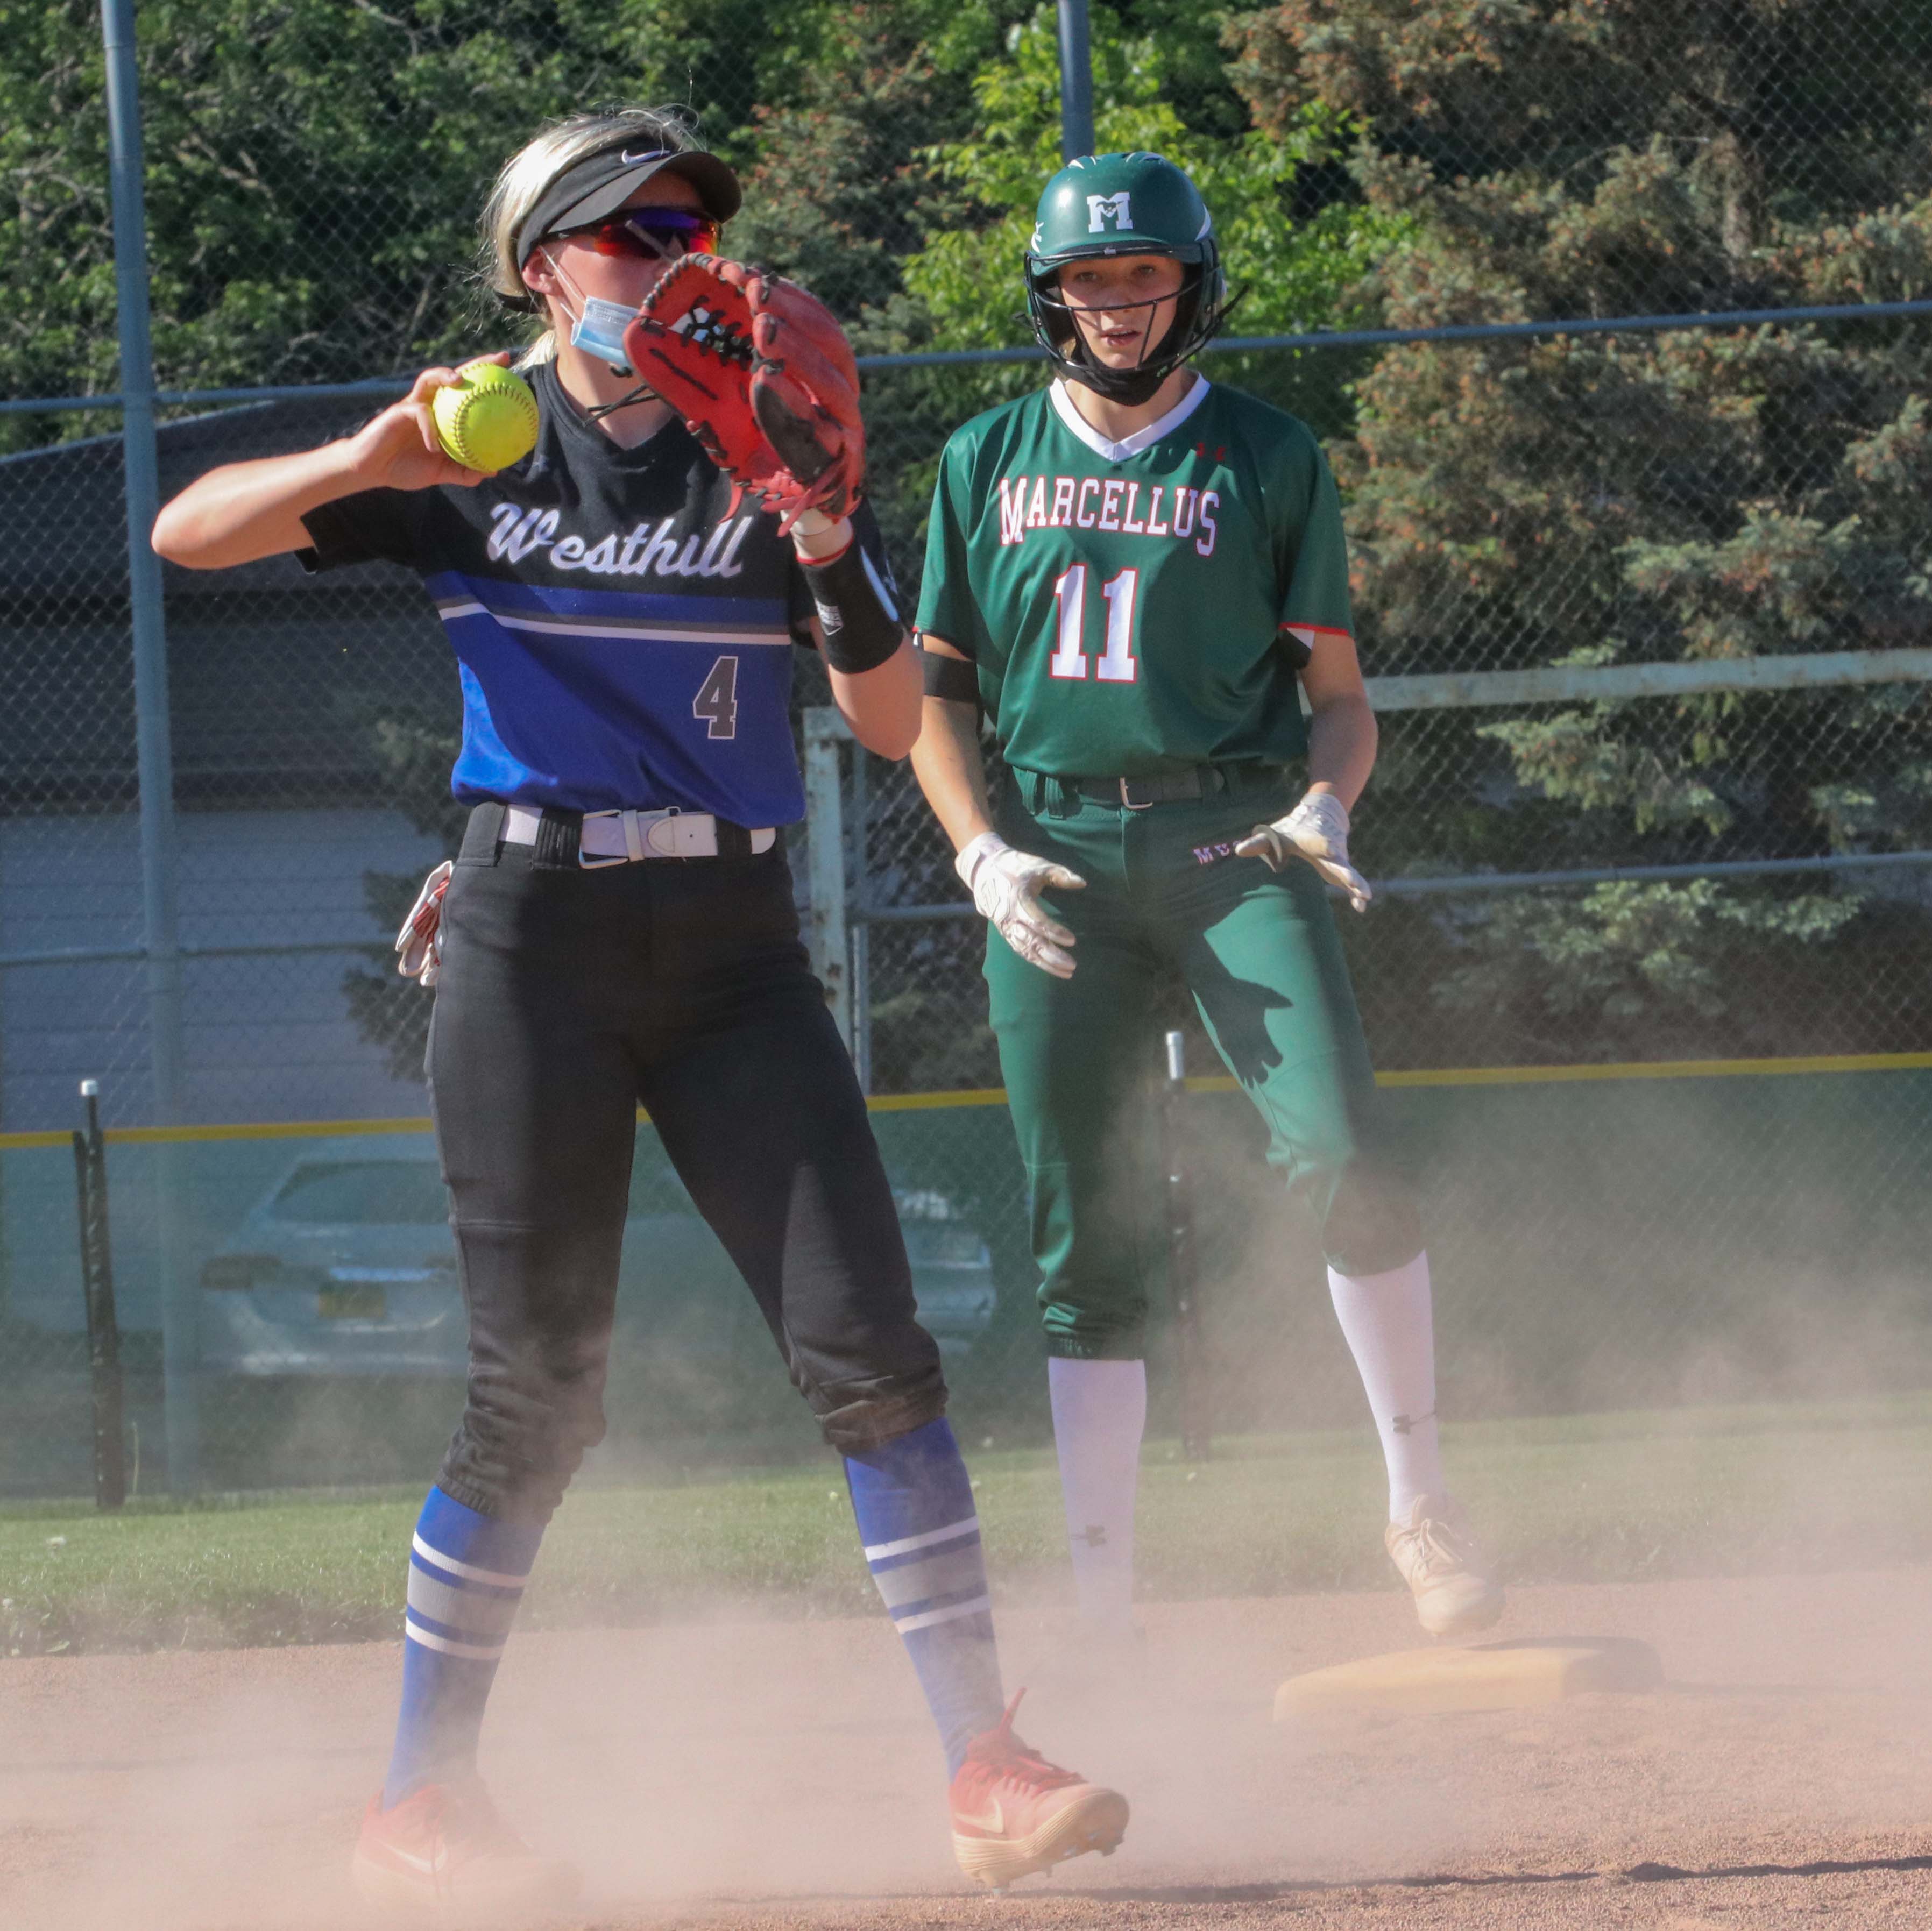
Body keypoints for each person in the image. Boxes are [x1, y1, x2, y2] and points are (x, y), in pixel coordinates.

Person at [152, 106, 1127, 1914]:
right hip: (535, 946)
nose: (677, 253)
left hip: (739, 950)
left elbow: (897, 724)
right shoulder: (466, 450)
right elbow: (181, 533)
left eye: (693, 225)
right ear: (544, 266)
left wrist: (825, 531)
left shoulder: (746, 446)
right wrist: (356, 455)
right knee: (536, 1399)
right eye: (634, 229)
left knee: (875, 1352)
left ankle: (985, 1763)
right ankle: (418, 1800)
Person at [908, 151, 1504, 1653]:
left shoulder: (1266, 454)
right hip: (1053, 856)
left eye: (1144, 277)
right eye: (1090, 282)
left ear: (1194, 285)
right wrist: (976, 847)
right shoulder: (981, 460)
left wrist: (1325, 801)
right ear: (1052, 294)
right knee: (1078, 1235)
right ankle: (1103, 1599)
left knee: (1349, 1154)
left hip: (1238, 846)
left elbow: (1343, 701)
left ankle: (1419, 1506)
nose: (1116, 306)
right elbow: (932, 702)